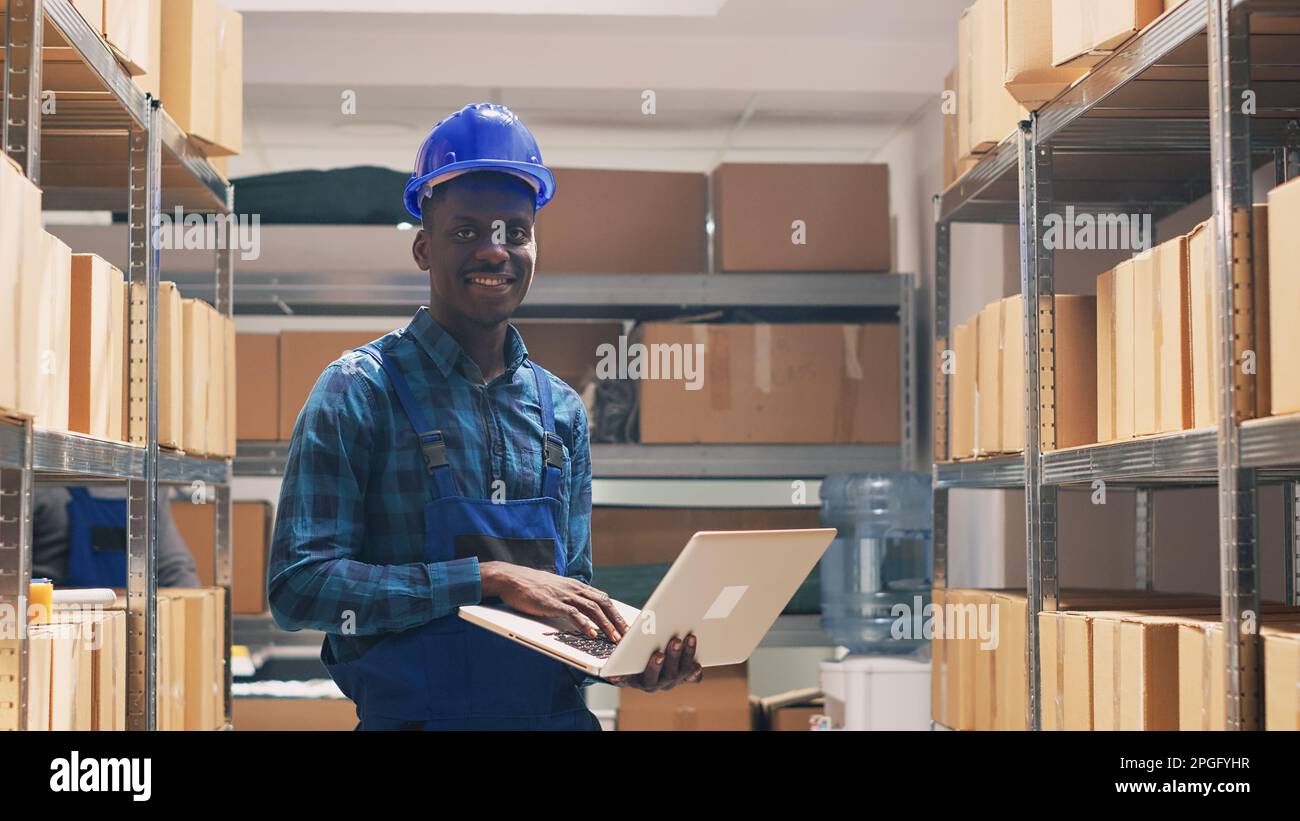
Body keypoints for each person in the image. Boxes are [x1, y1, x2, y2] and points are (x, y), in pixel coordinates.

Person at [268, 103, 701, 731]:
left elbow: (568, 598)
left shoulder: (561, 413)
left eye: (515, 232)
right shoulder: (358, 391)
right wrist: (486, 579)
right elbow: (300, 586)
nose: (495, 252)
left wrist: (625, 657)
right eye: (467, 231)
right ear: (423, 248)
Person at [32, 486, 199, 588]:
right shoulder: (43, 485)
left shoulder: (150, 487)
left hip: (130, 629)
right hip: (61, 632)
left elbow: (174, 569)